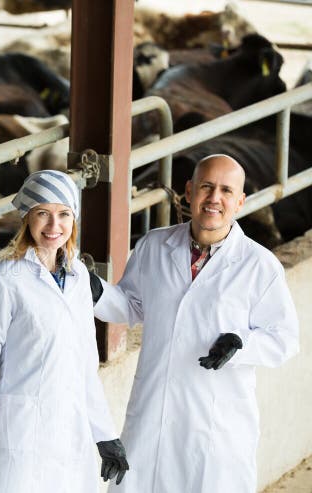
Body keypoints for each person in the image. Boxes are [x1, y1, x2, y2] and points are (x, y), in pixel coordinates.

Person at [90, 154, 300, 492]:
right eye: (206, 186)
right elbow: (131, 306)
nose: (214, 198)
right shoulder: (155, 245)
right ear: (189, 191)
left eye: (226, 191)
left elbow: (285, 339)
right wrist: (97, 291)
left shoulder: (259, 266)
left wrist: (240, 344)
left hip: (216, 425)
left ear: (240, 201)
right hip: (153, 415)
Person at [0, 170, 128, 492]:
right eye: (43, 214)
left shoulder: (80, 275)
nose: (54, 226)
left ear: (74, 220)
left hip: (71, 432)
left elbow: (84, 365)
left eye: (64, 214)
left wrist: (106, 435)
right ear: (27, 218)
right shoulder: (2, 280)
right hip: (21, 433)